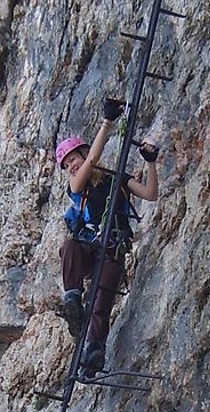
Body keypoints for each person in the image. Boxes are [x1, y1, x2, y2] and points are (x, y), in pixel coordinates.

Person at [54, 97, 160, 376]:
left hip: (112, 249)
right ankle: (72, 299)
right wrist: (107, 122)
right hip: (90, 247)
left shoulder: (117, 180)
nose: (71, 167)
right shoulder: (76, 187)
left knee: (102, 300)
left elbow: (151, 194)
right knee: (69, 247)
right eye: (66, 165)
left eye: (72, 159)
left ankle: (94, 352)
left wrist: (150, 163)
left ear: (82, 152)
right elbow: (93, 159)